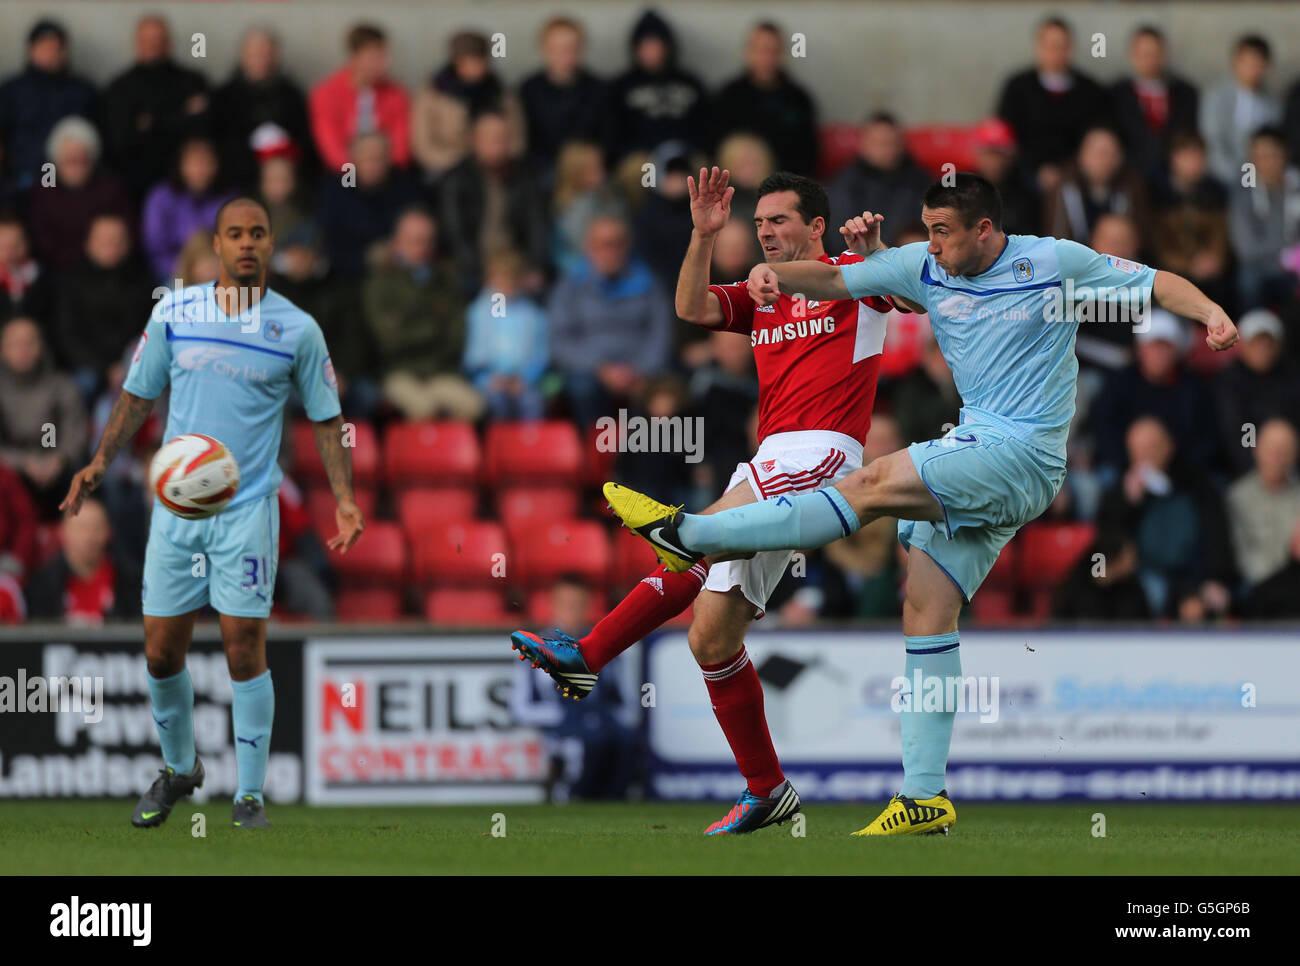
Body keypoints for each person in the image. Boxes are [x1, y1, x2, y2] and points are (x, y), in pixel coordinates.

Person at [603, 172, 1239, 834]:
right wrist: (775, 278)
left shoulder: (1052, 262)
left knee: (873, 485)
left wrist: (1211, 313)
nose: (931, 246)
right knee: (926, 610)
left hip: (1021, 453)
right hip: (982, 458)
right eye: (927, 232)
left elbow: (1155, 282)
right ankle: (924, 796)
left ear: (984, 231)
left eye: (942, 233)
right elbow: (830, 281)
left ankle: (696, 535)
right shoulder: (921, 265)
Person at [513, 170, 903, 835]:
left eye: (779, 220)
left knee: (699, 534)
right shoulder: (766, 293)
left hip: (824, 454)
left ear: (816, 226)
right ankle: (767, 788)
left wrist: (872, 253)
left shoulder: (847, 275)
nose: (766, 233)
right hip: (772, 456)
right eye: (759, 224)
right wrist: (702, 235)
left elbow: (900, 293)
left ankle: (590, 653)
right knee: (710, 639)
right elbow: (693, 309)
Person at [59, 196, 364, 830]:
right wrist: (97, 460)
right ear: (218, 246)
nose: (247, 243)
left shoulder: (298, 329)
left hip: (248, 507)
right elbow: (138, 395)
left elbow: (329, 420)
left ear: (270, 245)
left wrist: (343, 498)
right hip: (177, 509)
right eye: (235, 233)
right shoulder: (174, 312)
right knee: (161, 652)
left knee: (242, 647)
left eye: (258, 233)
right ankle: (180, 769)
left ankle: (249, 795)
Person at [994, 16, 1110, 194]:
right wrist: (1035, 170)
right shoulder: (1018, 87)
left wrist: (1068, 170)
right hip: (1024, 174)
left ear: (1071, 48)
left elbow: (1095, 137)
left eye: (1062, 46)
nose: (1056, 53)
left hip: (1079, 176)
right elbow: (1005, 137)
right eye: (1050, 46)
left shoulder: (1090, 90)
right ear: (1038, 47)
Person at [102, 14, 209, 198]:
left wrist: (151, 123)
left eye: (159, 40)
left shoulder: (192, 81)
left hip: (189, 183)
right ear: (137, 43)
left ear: (169, 43)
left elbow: (202, 130)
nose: (154, 46)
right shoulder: (120, 88)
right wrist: (181, 114)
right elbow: (121, 142)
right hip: (135, 184)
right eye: (148, 40)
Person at [0, 316, 87, 515]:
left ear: (41, 346)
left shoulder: (61, 386)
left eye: (29, 342)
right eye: (15, 344)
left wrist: (58, 460)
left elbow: (75, 434)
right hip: (11, 470)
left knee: (84, 476)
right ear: (3, 350)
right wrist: (23, 462)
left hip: (58, 468)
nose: (23, 350)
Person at [0, 18, 98, 193]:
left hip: (70, 181)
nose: (51, 53)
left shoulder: (82, 90)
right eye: (45, 47)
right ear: (31, 50)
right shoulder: (12, 90)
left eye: (56, 48)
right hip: (22, 178)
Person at [411, 30, 525, 180]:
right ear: (456, 62)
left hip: (495, 168)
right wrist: (458, 164)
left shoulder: (499, 92)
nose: (474, 67)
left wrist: (497, 158)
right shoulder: (433, 93)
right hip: (446, 168)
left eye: (479, 61)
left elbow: (517, 140)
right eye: (467, 61)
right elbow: (423, 146)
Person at [713, 22, 818, 177]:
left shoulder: (798, 98)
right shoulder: (729, 96)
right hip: (735, 183)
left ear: (783, 55)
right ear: (747, 52)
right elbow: (716, 145)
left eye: (772, 50)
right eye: (760, 50)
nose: (766, 57)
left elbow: (808, 151)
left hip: (784, 181)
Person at [309, 23, 410, 175]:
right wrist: (359, 170)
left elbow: (400, 147)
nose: (383, 64)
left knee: (406, 192)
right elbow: (331, 147)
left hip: (387, 173)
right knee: (344, 190)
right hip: (345, 171)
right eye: (374, 57)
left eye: (383, 56)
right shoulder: (326, 94)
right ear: (355, 57)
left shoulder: (396, 94)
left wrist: (379, 169)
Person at [519, 18, 610, 177]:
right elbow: (526, 144)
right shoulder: (528, 91)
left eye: (571, 48)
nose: (565, 56)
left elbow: (609, 138)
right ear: (544, 49)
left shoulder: (599, 90)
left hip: (590, 171)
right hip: (544, 171)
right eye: (558, 49)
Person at [26, 496, 141, 623]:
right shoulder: (42, 586)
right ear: (63, 532)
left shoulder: (132, 583)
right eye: (81, 528)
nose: (89, 537)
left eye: (96, 528)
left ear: (109, 532)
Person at [1108, 26, 1199, 183]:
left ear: (1164, 55)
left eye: (1155, 53)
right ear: (1132, 55)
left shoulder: (1186, 94)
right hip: (1128, 179)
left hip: (1174, 179)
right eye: (1143, 54)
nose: (1150, 60)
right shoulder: (1116, 95)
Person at [827, 112, 930, 244]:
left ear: (901, 145)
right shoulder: (845, 184)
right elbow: (838, 234)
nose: (886, 150)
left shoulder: (919, 182)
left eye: (891, 143)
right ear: (863, 144)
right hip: (859, 259)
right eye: (878, 143)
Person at [1200, 35, 1282, 186]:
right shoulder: (1216, 97)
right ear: (1235, 62)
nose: (1252, 69)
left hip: (1263, 179)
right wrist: (1240, 178)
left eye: (1258, 64)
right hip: (1222, 177)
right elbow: (1212, 142)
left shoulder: (1273, 103)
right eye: (1247, 62)